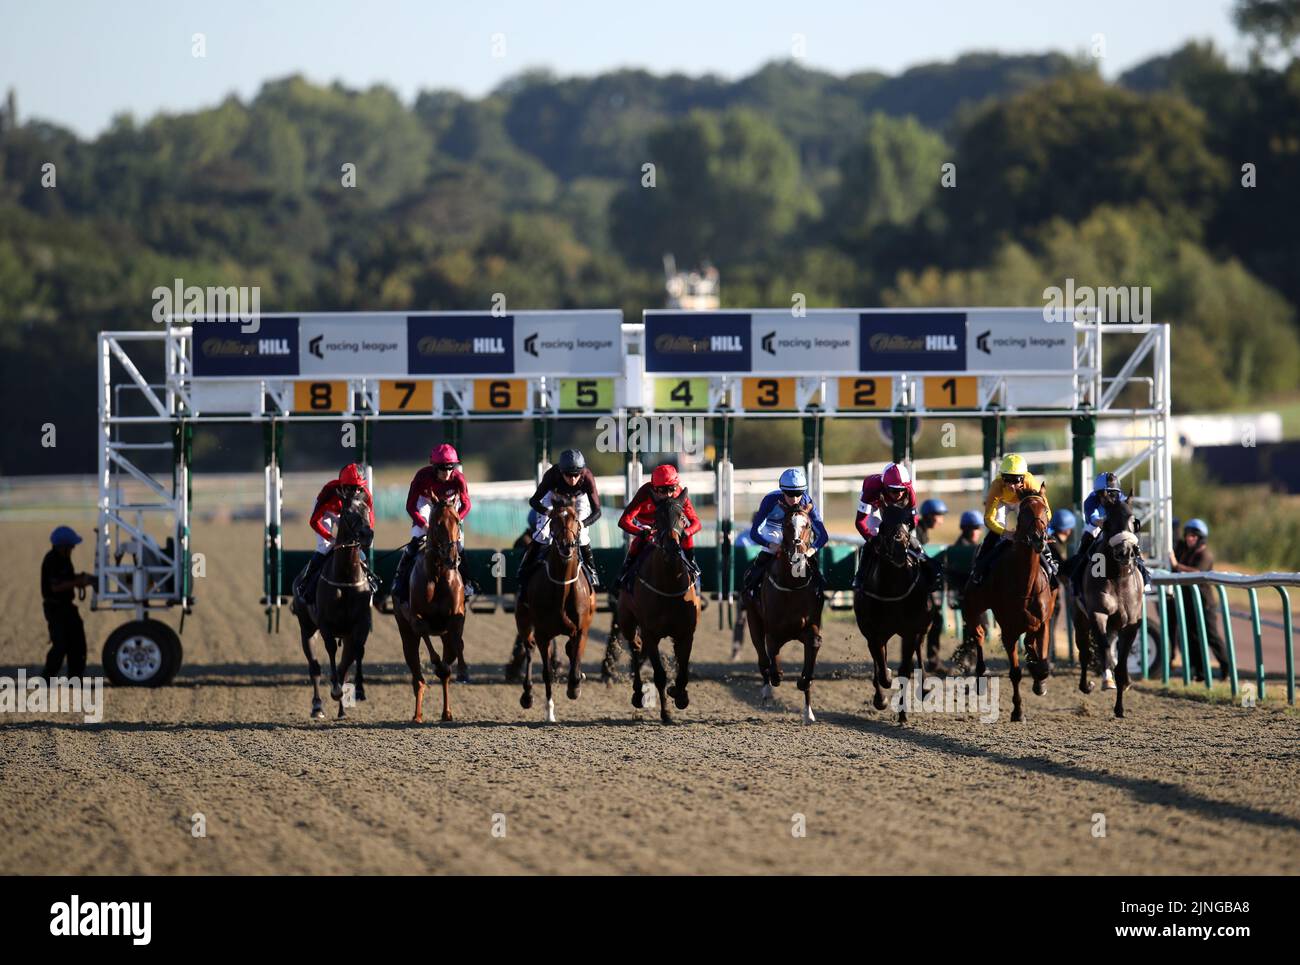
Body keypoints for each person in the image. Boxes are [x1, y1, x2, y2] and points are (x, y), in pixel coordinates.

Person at [391, 444, 475, 603]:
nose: (447, 473)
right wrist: (424, 525)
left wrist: (457, 520)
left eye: (450, 468)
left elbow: (466, 504)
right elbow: (410, 505)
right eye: (443, 469)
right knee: (417, 539)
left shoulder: (458, 479)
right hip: (426, 504)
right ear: (435, 467)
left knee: (458, 545)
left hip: (449, 508)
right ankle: (400, 580)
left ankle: (468, 582)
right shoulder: (422, 476)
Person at [518, 448, 602, 591]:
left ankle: (591, 570)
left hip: (579, 498)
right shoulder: (551, 475)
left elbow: (597, 511)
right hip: (553, 497)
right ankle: (524, 568)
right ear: (561, 472)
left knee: (581, 535)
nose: (573, 479)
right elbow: (534, 501)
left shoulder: (587, 477)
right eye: (569, 475)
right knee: (543, 535)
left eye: (577, 475)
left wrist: (582, 523)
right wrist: (548, 512)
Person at [967, 453, 1054, 588]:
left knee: (1033, 527)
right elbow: (988, 519)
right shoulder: (997, 486)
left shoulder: (1031, 484)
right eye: (1007, 479)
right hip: (1003, 503)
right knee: (998, 533)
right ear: (1002, 477)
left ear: (1024, 478)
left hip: (1023, 502)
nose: (1012, 486)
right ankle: (979, 567)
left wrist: (1038, 527)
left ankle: (1049, 560)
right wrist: (1005, 532)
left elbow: (1047, 513)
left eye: (1016, 480)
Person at [296, 463, 376, 609]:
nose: (356, 492)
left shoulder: (365, 495)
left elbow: (369, 520)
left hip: (348, 514)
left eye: (358, 488)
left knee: (360, 554)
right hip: (328, 511)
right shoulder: (329, 492)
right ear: (343, 486)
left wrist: (363, 537)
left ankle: (369, 580)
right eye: (351, 488)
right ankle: (306, 584)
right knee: (324, 547)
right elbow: (314, 521)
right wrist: (330, 537)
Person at [741, 468, 829, 597]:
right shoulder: (770, 500)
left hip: (796, 531)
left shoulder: (807, 502)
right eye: (789, 494)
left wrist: (811, 550)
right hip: (773, 530)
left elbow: (823, 535)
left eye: (798, 493)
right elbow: (754, 532)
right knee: (771, 549)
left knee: (799, 552)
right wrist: (770, 545)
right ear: (782, 491)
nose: (794, 499)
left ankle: (817, 588)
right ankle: (751, 587)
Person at [614, 464, 702, 589]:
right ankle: (623, 573)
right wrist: (641, 532)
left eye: (672, 489)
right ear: (654, 488)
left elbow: (696, 522)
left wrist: (686, 532)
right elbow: (623, 521)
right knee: (638, 542)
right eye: (663, 490)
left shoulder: (679, 493)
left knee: (686, 534)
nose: (668, 495)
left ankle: (693, 568)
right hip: (648, 524)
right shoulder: (644, 492)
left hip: (670, 524)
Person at [1169, 518, 1229, 682]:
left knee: (1211, 637)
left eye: (1193, 536)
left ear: (1201, 538)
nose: (1189, 539)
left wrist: (1176, 565)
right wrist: (1173, 525)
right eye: (1188, 535)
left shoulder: (1205, 554)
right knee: (1192, 638)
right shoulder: (1187, 550)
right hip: (1189, 602)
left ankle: (1227, 669)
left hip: (1205, 604)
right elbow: (1176, 540)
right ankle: (1200, 672)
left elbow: (1197, 572)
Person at [1070, 470, 1150, 592]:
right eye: (1104, 494)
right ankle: (1076, 579)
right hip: (1097, 526)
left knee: (1132, 541)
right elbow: (1093, 518)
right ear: (1098, 494)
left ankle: (1144, 575)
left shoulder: (1122, 498)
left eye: (1113, 493)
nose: (1109, 497)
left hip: (1117, 527)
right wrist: (1102, 523)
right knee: (1086, 542)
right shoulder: (1090, 501)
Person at [852, 461, 921, 589]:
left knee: (909, 537)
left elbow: (914, 518)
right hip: (874, 504)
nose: (899, 494)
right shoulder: (871, 488)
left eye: (902, 490)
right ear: (885, 486)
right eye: (894, 490)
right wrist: (872, 540)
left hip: (894, 508)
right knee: (875, 532)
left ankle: (925, 568)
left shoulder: (909, 490)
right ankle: (860, 576)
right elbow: (860, 522)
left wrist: (906, 534)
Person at [39, 526, 95, 678]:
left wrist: (84, 579)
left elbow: (67, 579)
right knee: (60, 646)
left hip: (67, 607)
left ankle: (75, 678)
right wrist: (78, 582)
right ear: (63, 546)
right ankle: (46, 678)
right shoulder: (51, 560)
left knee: (78, 644)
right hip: (55, 609)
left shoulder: (64, 558)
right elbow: (56, 587)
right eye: (71, 546)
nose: (73, 548)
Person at [917, 497, 949, 673]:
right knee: (935, 619)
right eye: (939, 515)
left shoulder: (922, 531)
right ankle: (932, 661)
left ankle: (932, 660)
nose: (942, 520)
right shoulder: (918, 532)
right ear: (929, 516)